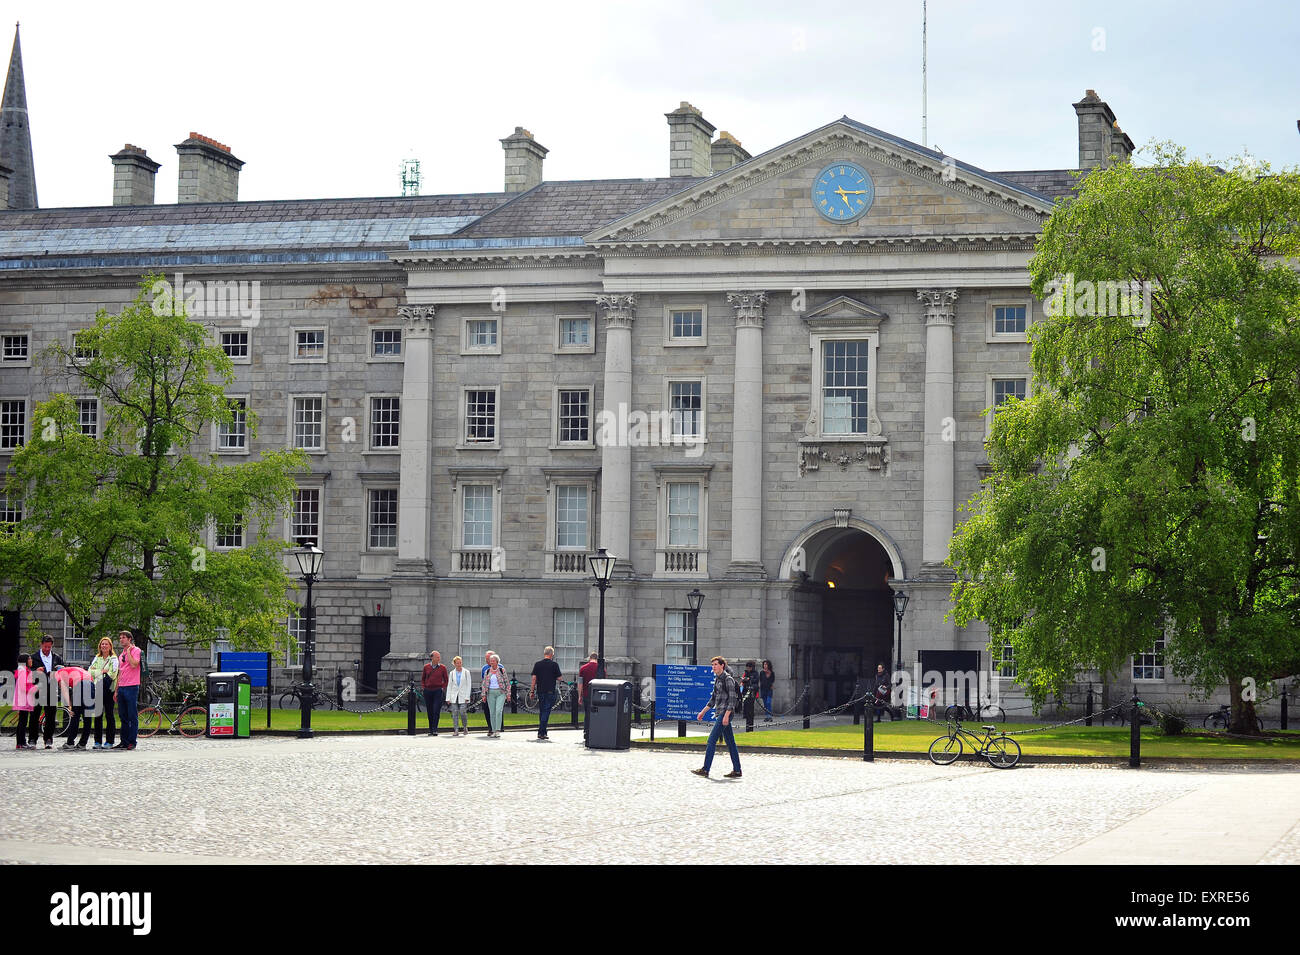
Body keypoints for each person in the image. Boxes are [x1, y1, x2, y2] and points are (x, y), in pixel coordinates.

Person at [692, 656, 742, 779]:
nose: (713, 667)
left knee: (711, 740)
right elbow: (713, 699)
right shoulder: (717, 680)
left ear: (722, 666)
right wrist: (702, 712)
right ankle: (737, 770)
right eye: (712, 664)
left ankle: (705, 769)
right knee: (730, 742)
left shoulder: (728, 679)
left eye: (715, 664)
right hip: (720, 713)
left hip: (725, 714)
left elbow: (732, 700)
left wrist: (726, 716)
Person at [31, 635, 65, 748]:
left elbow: (62, 670)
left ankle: (48, 739)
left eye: (49, 647)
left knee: (50, 716)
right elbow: (28, 673)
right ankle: (32, 739)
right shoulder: (34, 657)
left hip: (52, 689)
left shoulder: (56, 658)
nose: (47, 649)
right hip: (37, 690)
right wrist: (35, 671)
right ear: (41, 645)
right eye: (45, 647)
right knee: (34, 715)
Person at [86, 637, 119, 750]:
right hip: (98, 688)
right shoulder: (97, 658)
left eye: (106, 644)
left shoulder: (113, 659)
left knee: (109, 715)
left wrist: (98, 673)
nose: (104, 646)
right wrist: (102, 671)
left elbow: (113, 674)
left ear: (110, 646)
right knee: (98, 715)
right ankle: (97, 741)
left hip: (108, 689)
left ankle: (109, 741)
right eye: (102, 644)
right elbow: (90, 671)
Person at [114, 630, 143, 751]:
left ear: (129, 639)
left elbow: (134, 664)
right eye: (120, 638)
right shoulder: (121, 655)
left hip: (132, 686)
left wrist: (129, 652)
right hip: (122, 687)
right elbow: (120, 672)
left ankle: (132, 741)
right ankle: (124, 741)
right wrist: (116, 690)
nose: (121, 640)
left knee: (132, 715)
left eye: (124, 637)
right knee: (123, 716)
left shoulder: (136, 650)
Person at [530, 646, 563, 741]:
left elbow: (534, 679)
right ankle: (541, 732)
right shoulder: (554, 665)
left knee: (542, 711)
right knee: (546, 711)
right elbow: (560, 678)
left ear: (544, 653)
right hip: (550, 691)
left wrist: (532, 691)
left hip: (540, 690)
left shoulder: (537, 664)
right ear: (552, 654)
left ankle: (543, 732)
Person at [56, 665, 93, 749]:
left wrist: (69, 706)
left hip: (80, 684)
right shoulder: (74, 669)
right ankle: (82, 744)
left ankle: (70, 742)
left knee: (75, 715)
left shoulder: (58, 673)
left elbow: (64, 689)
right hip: (90, 683)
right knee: (87, 717)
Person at [12, 654, 37, 750]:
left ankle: (21, 742)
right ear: (26, 660)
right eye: (30, 659)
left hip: (24, 700)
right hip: (24, 700)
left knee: (22, 721)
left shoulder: (24, 670)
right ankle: (21, 742)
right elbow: (23, 687)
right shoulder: (23, 671)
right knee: (23, 722)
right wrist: (34, 688)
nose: (31, 660)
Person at [421, 650, 449, 736]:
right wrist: (424, 687)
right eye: (437, 657)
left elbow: (446, 680)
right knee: (429, 710)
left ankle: (435, 729)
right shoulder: (426, 667)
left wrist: (442, 687)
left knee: (436, 710)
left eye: (439, 657)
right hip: (428, 690)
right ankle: (430, 729)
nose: (439, 658)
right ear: (432, 658)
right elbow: (423, 678)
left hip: (437, 691)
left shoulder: (442, 667)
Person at [481, 654, 508, 737]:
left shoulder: (501, 670)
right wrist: (483, 695)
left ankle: (497, 730)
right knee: (492, 712)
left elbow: (507, 682)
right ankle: (493, 730)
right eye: (490, 660)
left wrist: (508, 694)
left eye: (493, 661)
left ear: (497, 662)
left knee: (498, 711)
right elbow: (484, 684)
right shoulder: (487, 671)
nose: (491, 662)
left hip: (501, 692)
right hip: (490, 693)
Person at [447, 656, 472, 736]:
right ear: (454, 664)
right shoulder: (452, 673)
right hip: (454, 696)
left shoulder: (466, 672)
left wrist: (467, 696)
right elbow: (449, 685)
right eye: (457, 663)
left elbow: (469, 685)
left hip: (463, 696)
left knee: (462, 712)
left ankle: (465, 727)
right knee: (454, 713)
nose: (459, 664)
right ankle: (456, 729)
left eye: (460, 662)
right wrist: (448, 698)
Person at [578, 652, 599, 740]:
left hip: (586, 694)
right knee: (597, 714)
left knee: (587, 713)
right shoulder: (601, 669)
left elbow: (580, 683)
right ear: (597, 659)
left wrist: (580, 696)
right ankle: (595, 731)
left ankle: (586, 731)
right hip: (597, 695)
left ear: (589, 658)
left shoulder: (583, 668)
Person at [740, 660, 758, 725]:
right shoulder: (746, 672)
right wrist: (744, 680)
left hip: (752, 693)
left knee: (751, 707)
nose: (748, 669)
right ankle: (745, 714)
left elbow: (756, 681)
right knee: (745, 704)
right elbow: (743, 681)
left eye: (749, 667)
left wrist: (749, 679)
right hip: (746, 692)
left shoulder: (755, 673)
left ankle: (750, 719)